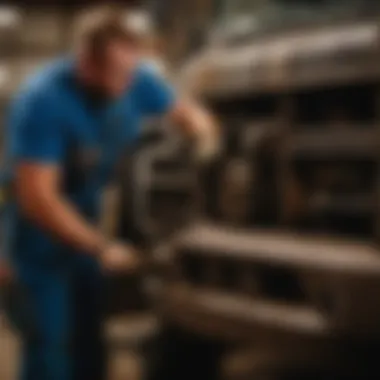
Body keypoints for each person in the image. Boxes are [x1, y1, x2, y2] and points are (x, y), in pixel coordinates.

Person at [1, 4, 219, 380]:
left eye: (128, 72)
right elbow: (38, 199)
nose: (123, 86)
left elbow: (187, 113)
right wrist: (102, 247)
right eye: (114, 74)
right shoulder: (42, 101)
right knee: (51, 350)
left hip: (83, 223)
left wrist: (203, 136)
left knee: (91, 346)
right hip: (34, 239)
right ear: (85, 62)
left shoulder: (135, 79)